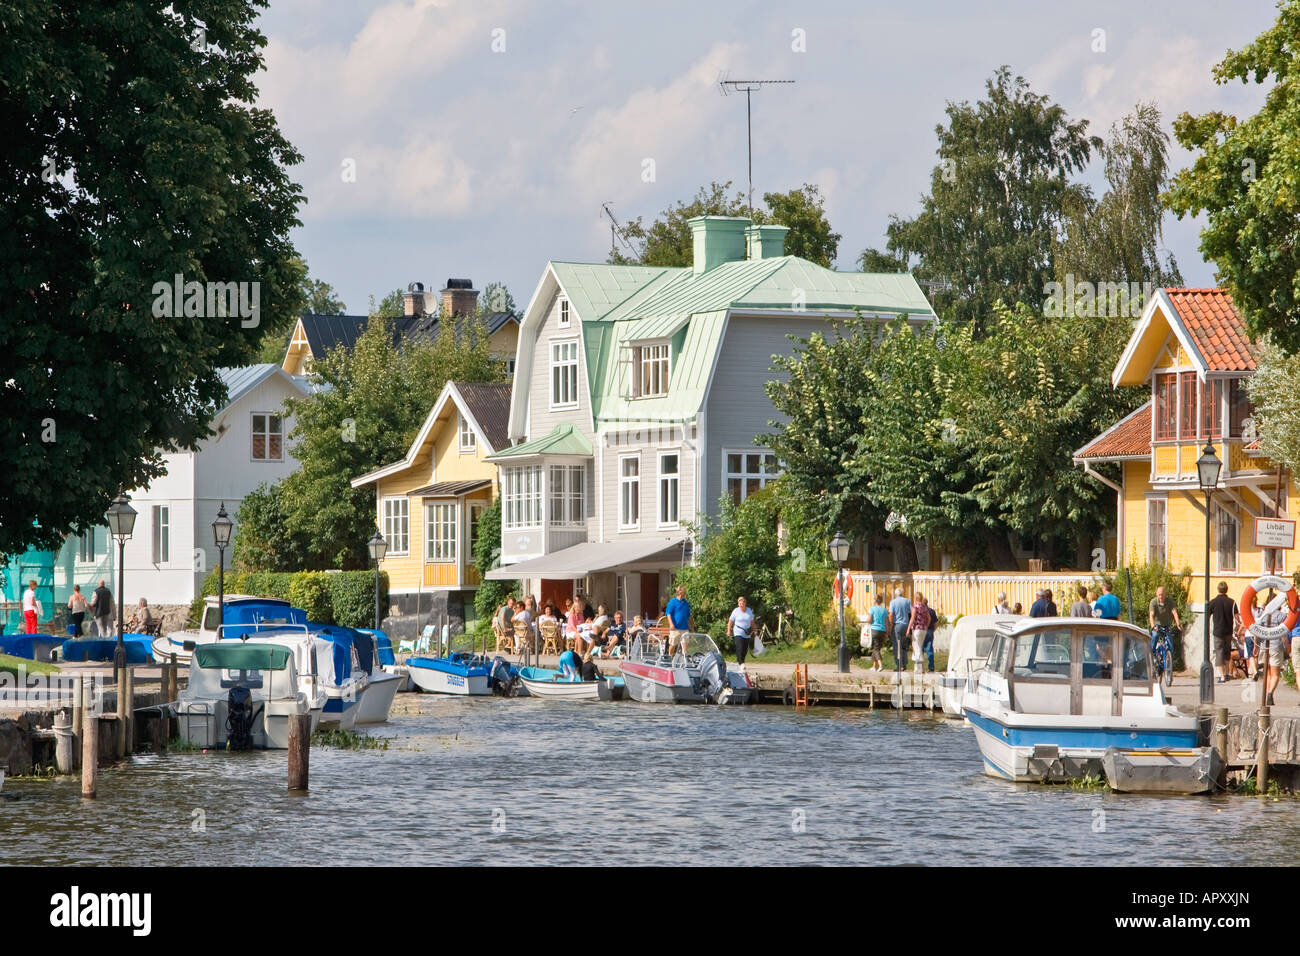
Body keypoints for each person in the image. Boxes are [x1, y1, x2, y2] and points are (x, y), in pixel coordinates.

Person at [1207, 582, 1239, 684]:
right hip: (1228, 631)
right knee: (1227, 652)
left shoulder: (1213, 602)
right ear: (1227, 589)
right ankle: (1226, 673)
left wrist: (1207, 629)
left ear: (1218, 589)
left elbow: (1207, 617)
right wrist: (1238, 628)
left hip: (1218, 632)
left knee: (1219, 652)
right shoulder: (1232, 602)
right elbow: (1237, 618)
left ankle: (1222, 676)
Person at [1148, 585, 1181, 655]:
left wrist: (1178, 624)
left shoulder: (1170, 602)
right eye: (1159, 595)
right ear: (1156, 594)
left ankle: (1170, 662)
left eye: (1162, 595)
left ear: (1165, 594)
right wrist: (1153, 626)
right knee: (1155, 636)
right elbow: (1151, 615)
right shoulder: (1153, 602)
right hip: (1157, 625)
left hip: (1167, 625)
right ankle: (1151, 655)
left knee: (1170, 645)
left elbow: (1174, 613)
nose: (1161, 597)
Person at [727, 595, 756, 666]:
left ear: (745, 603)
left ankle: (741, 661)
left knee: (745, 650)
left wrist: (755, 630)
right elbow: (730, 622)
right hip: (738, 632)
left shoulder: (749, 610)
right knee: (740, 647)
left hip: (747, 633)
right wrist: (729, 631)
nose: (741, 605)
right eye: (739, 604)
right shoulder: (736, 611)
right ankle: (741, 663)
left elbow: (752, 622)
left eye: (742, 603)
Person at [887, 587, 911, 671]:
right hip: (906, 625)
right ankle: (904, 664)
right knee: (904, 646)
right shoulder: (907, 601)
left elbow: (891, 615)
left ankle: (899, 665)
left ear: (895, 594)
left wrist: (890, 626)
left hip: (897, 625)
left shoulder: (893, 602)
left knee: (897, 646)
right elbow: (910, 612)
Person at [907, 592, 929, 676]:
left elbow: (912, 618)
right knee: (919, 646)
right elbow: (929, 618)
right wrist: (926, 625)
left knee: (917, 647)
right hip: (923, 629)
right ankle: (921, 668)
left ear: (915, 598)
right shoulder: (924, 607)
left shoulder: (915, 607)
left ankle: (918, 668)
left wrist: (908, 629)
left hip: (916, 629)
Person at [665, 585, 692, 655]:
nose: (685, 594)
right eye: (684, 592)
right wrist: (671, 624)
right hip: (675, 628)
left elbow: (688, 616)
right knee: (673, 645)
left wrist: (692, 626)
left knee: (685, 646)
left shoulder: (686, 603)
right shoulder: (672, 602)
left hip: (685, 628)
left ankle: (685, 660)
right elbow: (668, 613)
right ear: (680, 592)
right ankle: (670, 657)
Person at [865, 594, 888, 671]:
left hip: (874, 630)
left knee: (875, 649)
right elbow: (886, 622)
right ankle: (874, 666)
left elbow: (869, 620)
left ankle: (880, 665)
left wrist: (867, 618)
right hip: (882, 631)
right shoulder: (884, 610)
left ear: (875, 600)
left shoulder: (872, 609)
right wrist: (887, 633)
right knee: (877, 648)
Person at [922, 602, 937, 673]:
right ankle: (931, 667)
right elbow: (935, 623)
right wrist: (933, 631)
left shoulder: (920, 610)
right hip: (930, 631)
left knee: (920, 649)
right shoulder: (932, 611)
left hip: (922, 630)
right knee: (929, 649)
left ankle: (920, 667)